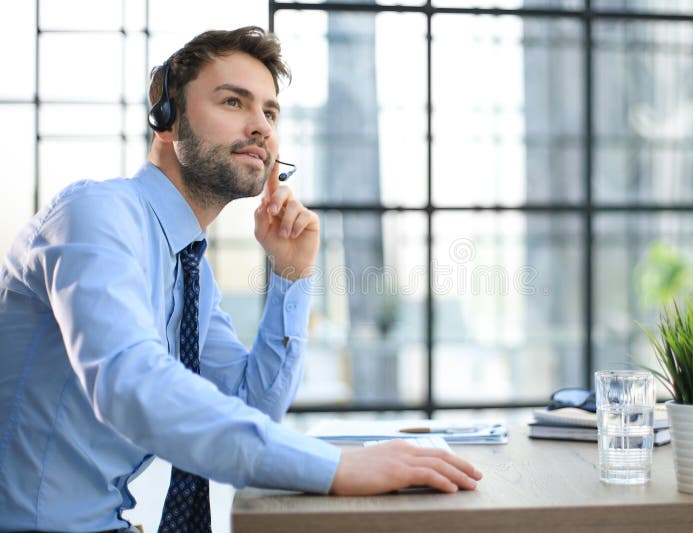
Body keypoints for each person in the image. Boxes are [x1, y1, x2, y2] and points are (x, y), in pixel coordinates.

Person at [0, 26, 481, 533]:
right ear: (166, 120)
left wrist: (292, 274)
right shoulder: (96, 215)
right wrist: (338, 467)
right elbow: (130, 383)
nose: (262, 129)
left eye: (270, 113)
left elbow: (252, 406)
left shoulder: (190, 269)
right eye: (234, 102)